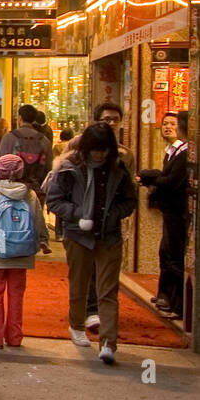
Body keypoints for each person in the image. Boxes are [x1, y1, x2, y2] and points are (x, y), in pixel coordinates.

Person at [46, 122, 138, 365]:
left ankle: (108, 342)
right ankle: (76, 325)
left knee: (108, 290)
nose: (99, 154)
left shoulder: (118, 169)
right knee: (80, 284)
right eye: (95, 149)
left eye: (104, 149)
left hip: (109, 235)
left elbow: (130, 201)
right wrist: (78, 215)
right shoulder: (69, 167)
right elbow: (54, 200)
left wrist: (112, 214)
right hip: (78, 235)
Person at [0, 154, 51, 348]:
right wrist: (43, 242)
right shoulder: (30, 195)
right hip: (22, 253)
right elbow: (39, 224)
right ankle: (14, 336)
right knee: (16, 296)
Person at [138, 110, 190, 319]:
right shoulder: (173, 150)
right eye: (165, 123)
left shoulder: (186, 152)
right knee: (166, 252)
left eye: (174, 124)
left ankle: (176, 301)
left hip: (179, 211)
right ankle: (166, 295)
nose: (169, 127)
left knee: (174, 254)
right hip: (170, 210)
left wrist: (149, 179)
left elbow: (172, 181)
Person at [0, 104, 52, 198]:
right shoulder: (44, 141)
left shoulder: (9, 138)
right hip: (35, 192)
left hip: (11, 192)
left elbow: (0, 166)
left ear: (19, 118)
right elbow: (48, 169)